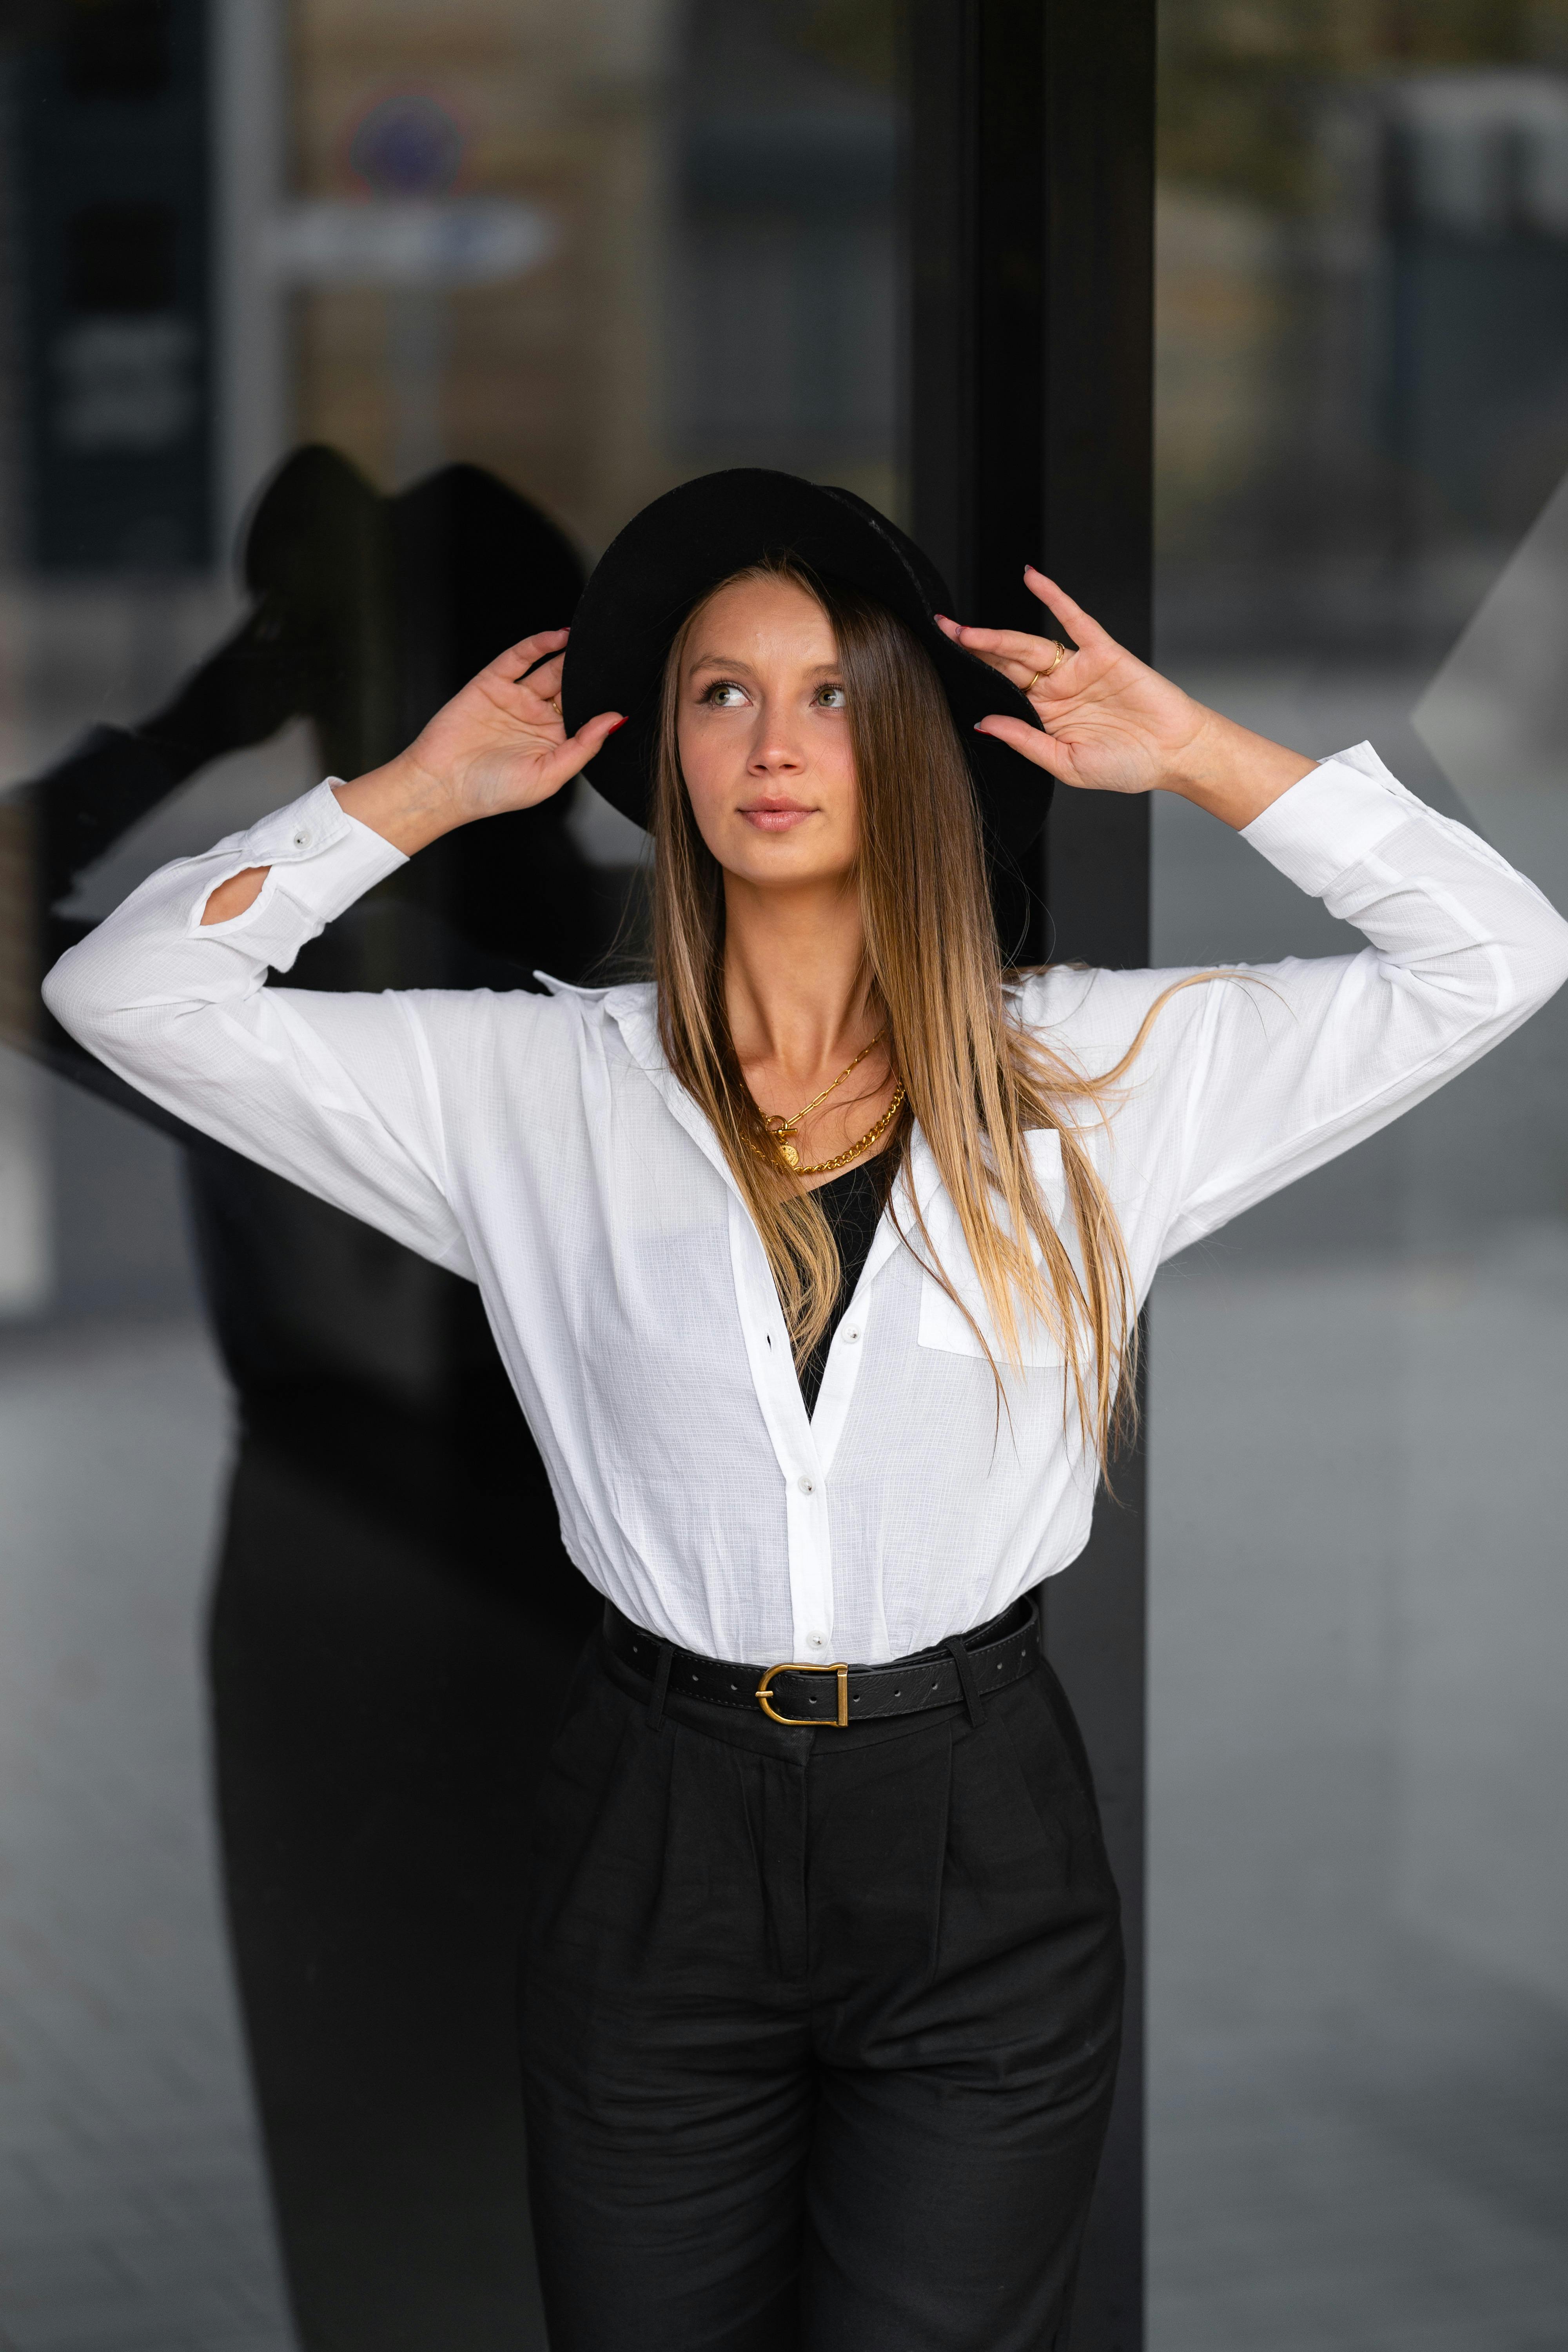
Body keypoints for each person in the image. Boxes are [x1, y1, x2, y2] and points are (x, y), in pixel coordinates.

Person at [43, 468, 1568, 2352]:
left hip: (978, 1843)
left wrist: (1191, 753)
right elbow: (130, 996)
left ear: (907, 742)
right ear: (665, 753)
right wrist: (417, 793)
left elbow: (1496, 953)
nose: (775, 742)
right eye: (723, 694)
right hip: (653, 1832)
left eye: (834, 692)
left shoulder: (1099, 1072)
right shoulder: (530, 1088)